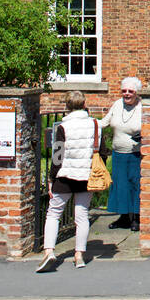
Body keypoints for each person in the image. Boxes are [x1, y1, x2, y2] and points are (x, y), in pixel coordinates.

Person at [37, 91, 108, 272]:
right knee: (82, 216)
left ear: (67, 107)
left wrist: (52, 178)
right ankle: (79, 255)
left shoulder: (63, 127)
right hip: (86, 175)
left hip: (65, 175)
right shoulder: (95, 125)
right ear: (84, 104)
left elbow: (58, 155)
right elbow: (103, 151)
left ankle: (49, 251)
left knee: (54, 213)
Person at [101, 76, 144, 231]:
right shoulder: (117, 105)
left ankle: (136, 218)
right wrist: (85, 123)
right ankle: (124, 217)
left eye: (130, 91)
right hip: (118, 153)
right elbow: (104, 122)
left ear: (136, 92)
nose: (126, 94)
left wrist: (144, 134)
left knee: (135, 185)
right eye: (124, 91)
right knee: (120, 185)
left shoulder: (142, 107)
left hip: (135, 154)